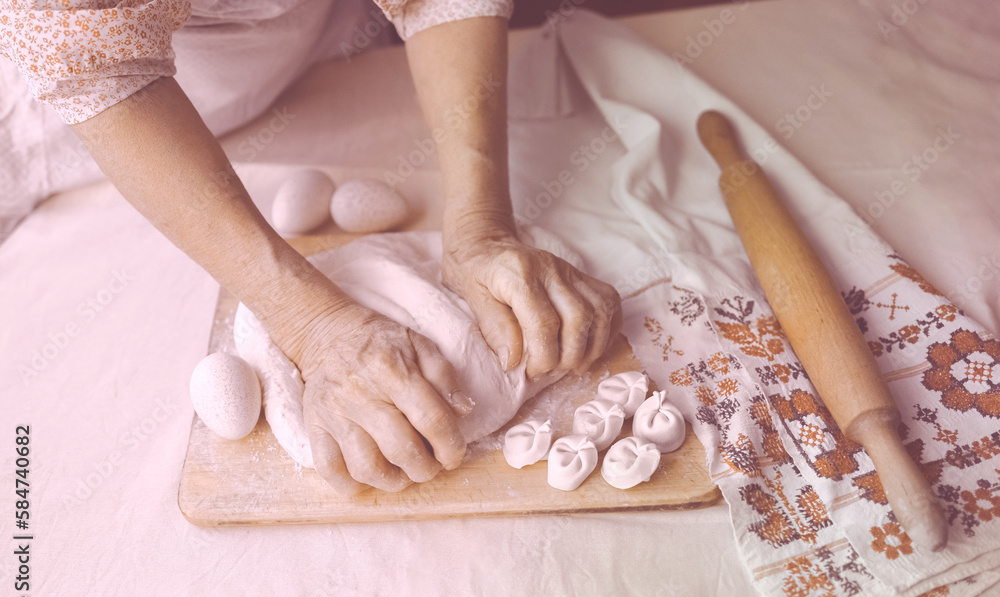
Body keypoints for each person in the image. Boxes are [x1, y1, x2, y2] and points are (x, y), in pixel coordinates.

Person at [0, 0, 622, 494]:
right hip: (93, 124)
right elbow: (99, 68)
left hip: (307, 55)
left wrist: (480, 222)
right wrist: (309, 321)